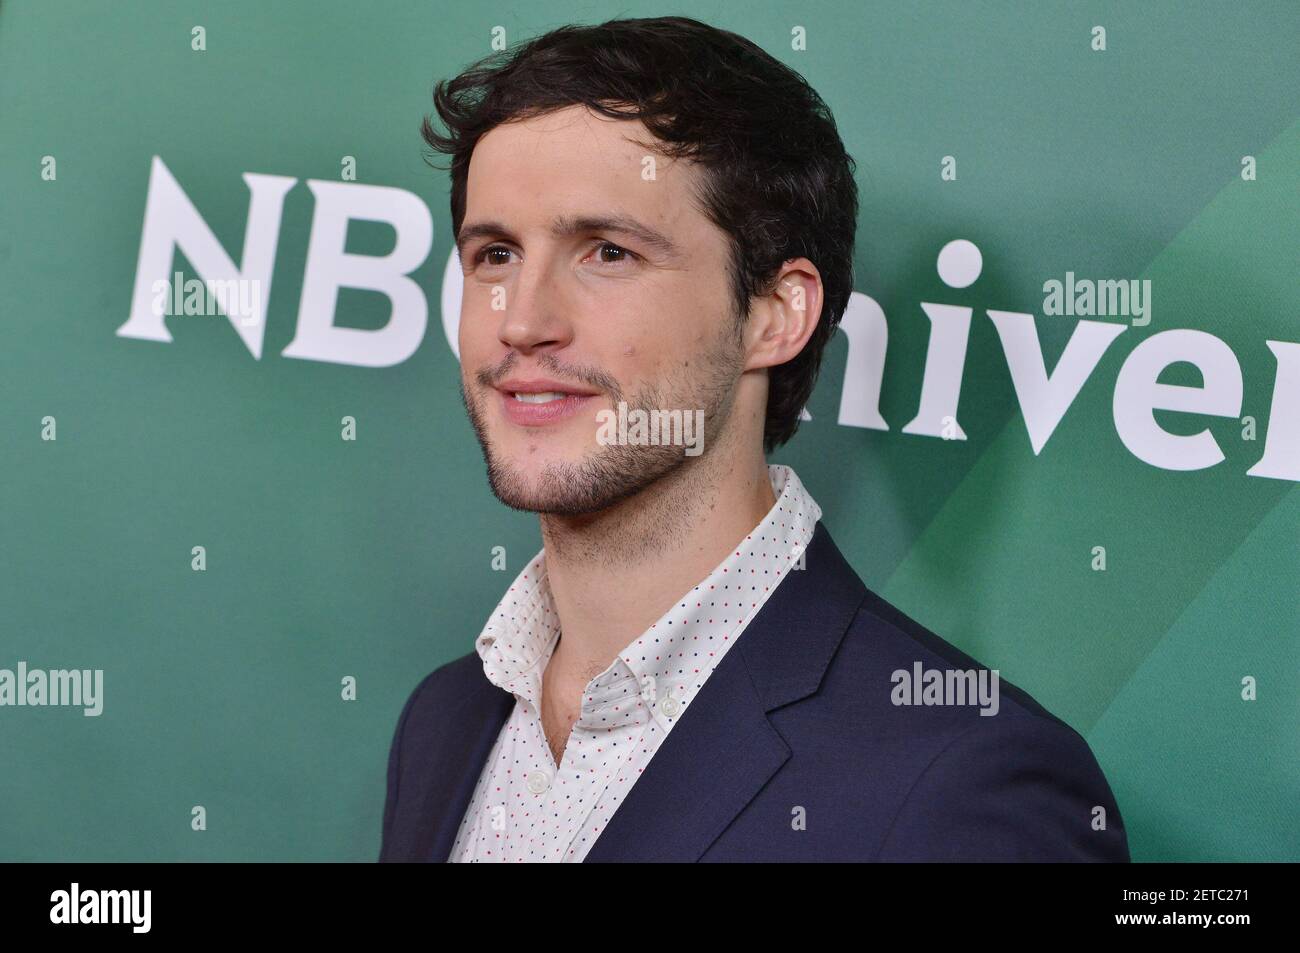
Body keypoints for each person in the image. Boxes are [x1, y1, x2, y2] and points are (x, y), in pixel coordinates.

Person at [380, 15, 1130, 862]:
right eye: (495, 255)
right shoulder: (446, 722)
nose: (522, 320)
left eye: (609, 252)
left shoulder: (960, 782)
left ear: (775, 315)